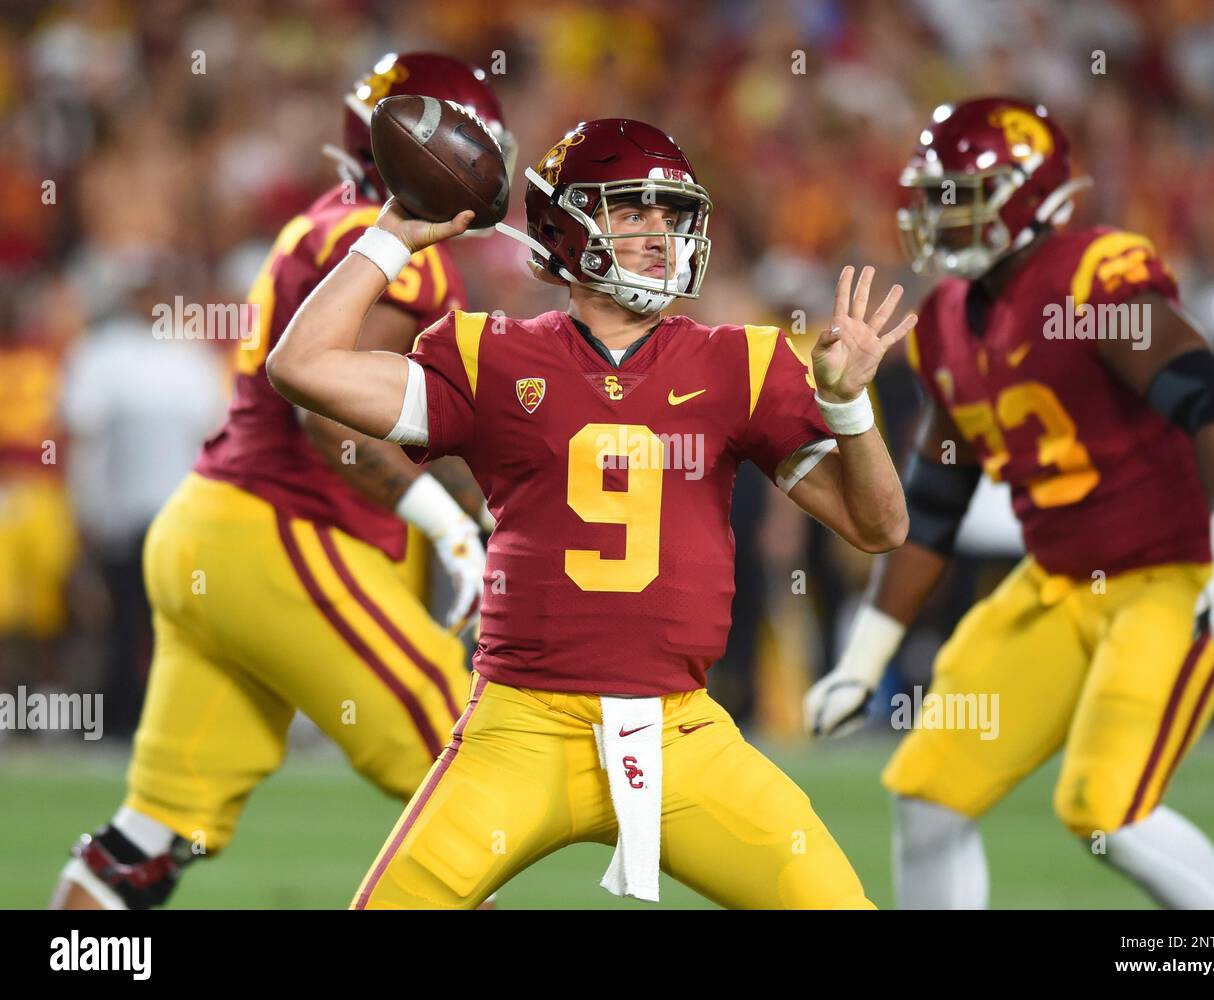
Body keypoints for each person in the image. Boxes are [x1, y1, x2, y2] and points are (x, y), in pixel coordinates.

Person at [265, 117, 914, 909]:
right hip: (519, 729)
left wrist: (849, 408)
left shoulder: (741, 361)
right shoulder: (489, 353)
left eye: (671, 216)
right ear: (565, 225)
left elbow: (881, 529)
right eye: (631, 211)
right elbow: (301, 367)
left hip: (682, 733)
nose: (659, 235)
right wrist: (392, 237)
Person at [52, 53, 511, 910]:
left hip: (212, 535)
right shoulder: (389, 244)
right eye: (479, 149)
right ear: (435, 152)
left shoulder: (324, 221)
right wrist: (451, 528)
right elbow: (333, 419)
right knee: (474, 768)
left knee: (146, 843)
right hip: (282, 537)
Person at [805, 97, 1214, 909]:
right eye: (936, 195)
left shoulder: (1094, 280)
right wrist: (864, 657)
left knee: (1109, 811)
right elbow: (937, 499)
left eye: (960, 194)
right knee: (928, 792)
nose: (938, 214)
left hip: (1174, 579)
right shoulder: (948, 318)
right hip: (1057, 584)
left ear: (1027, 195)